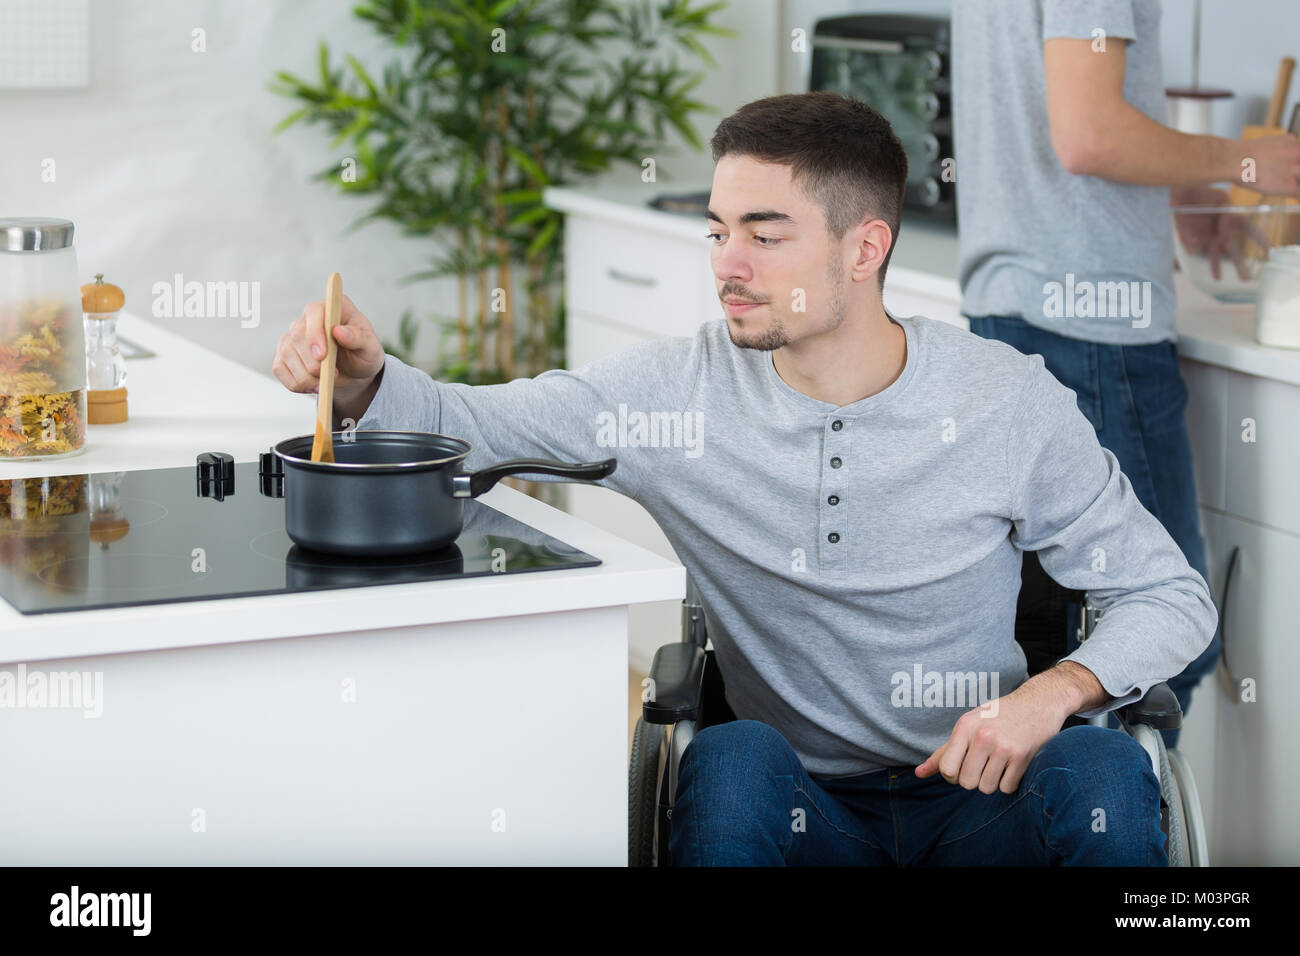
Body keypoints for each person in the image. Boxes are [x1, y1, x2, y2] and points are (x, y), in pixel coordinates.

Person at [272, 92, 1216, 865]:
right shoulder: (673, 396)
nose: (727, 265)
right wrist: (364, 380)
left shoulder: (1006, 401)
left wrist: (1054, 693)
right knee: (730, 763)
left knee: (1099, 776)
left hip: (983, 804)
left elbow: (1170, 596)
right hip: (799, 814)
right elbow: (474, 424)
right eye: (717, 230)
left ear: (864, 248)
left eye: (765, 236)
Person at [952, 0, 1300, 747]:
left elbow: (1064, 115)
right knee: (1157, 640)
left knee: (1058, 642)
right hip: (1095, 336)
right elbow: (1088, 137)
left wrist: (1183, 188)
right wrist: (1246, 162)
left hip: (1013, 312)